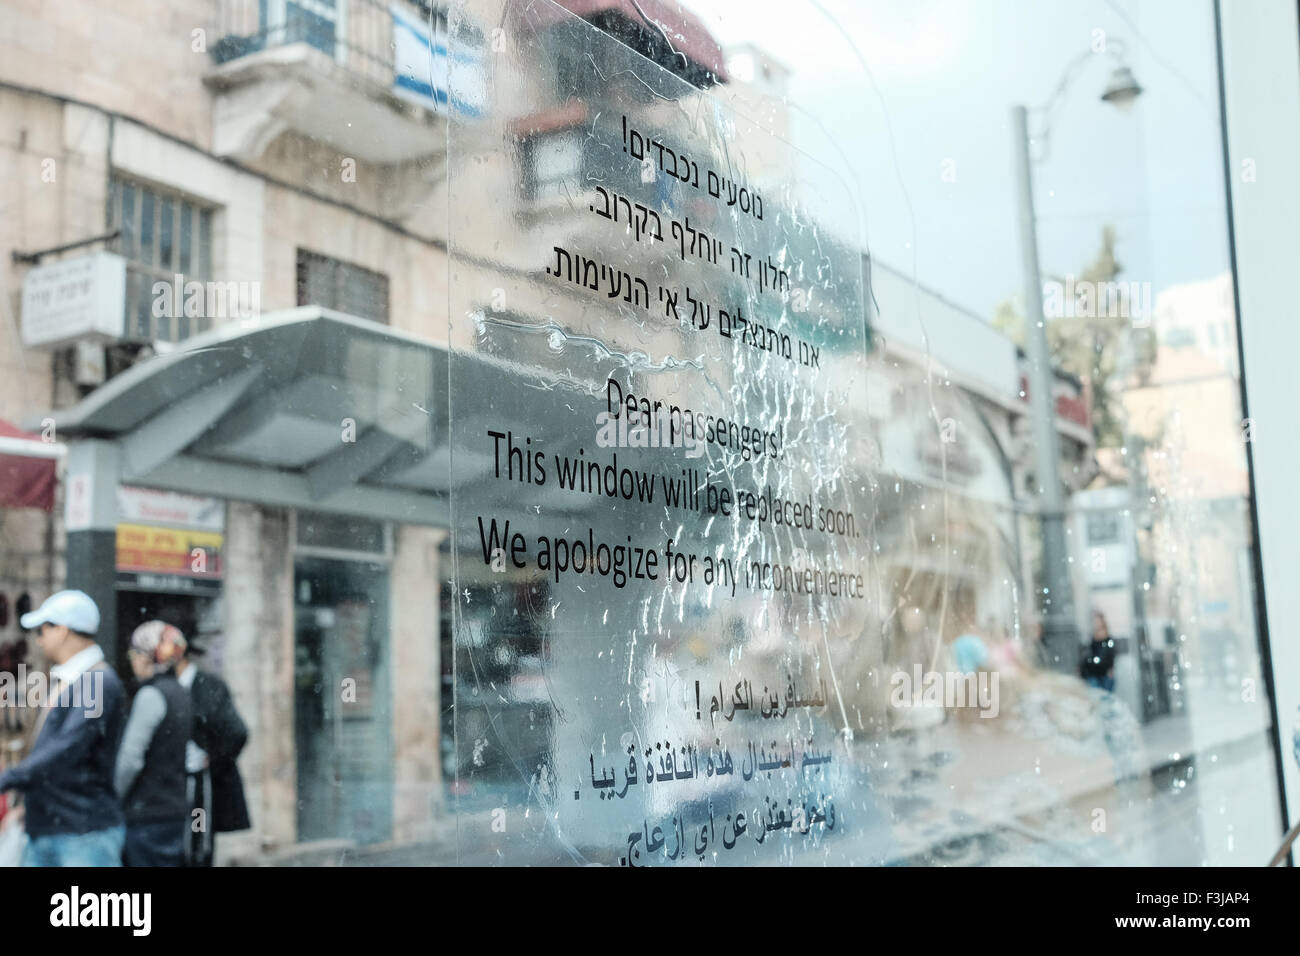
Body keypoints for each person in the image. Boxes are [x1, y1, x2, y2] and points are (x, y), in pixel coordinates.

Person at [0, 590, 127, 866]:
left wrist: (9, 778)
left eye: (44, 629)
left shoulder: (98, 681)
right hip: (53, 828)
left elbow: (67, 748)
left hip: (82, 834)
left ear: (63, 630)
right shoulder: (69, 680)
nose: (39, 638)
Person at [115, 621, 192, 867]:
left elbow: (130, 759)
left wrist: (113, 797)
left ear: (150, 656)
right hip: (173, 809)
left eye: (135, 653)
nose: (133, 661)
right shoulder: (180, 692)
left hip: (147, 813)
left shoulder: (151, 695)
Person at [173, 630, 249, 866]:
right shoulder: (164, 686)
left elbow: (236, 732)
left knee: (198, 843)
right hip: (174, 789)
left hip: (201, 788)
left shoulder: (208, 686)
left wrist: (211, 759)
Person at [1080, 610, 1117, 693]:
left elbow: (1111, 654)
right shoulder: (1090, 638)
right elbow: (1086, 655)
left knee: (1106, 697)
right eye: (1095, 621)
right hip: (1092, 673)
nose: (1096, 623)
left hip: (1104, 673)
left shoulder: (1108, 639)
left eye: (1098, 620)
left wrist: (1110, 668)